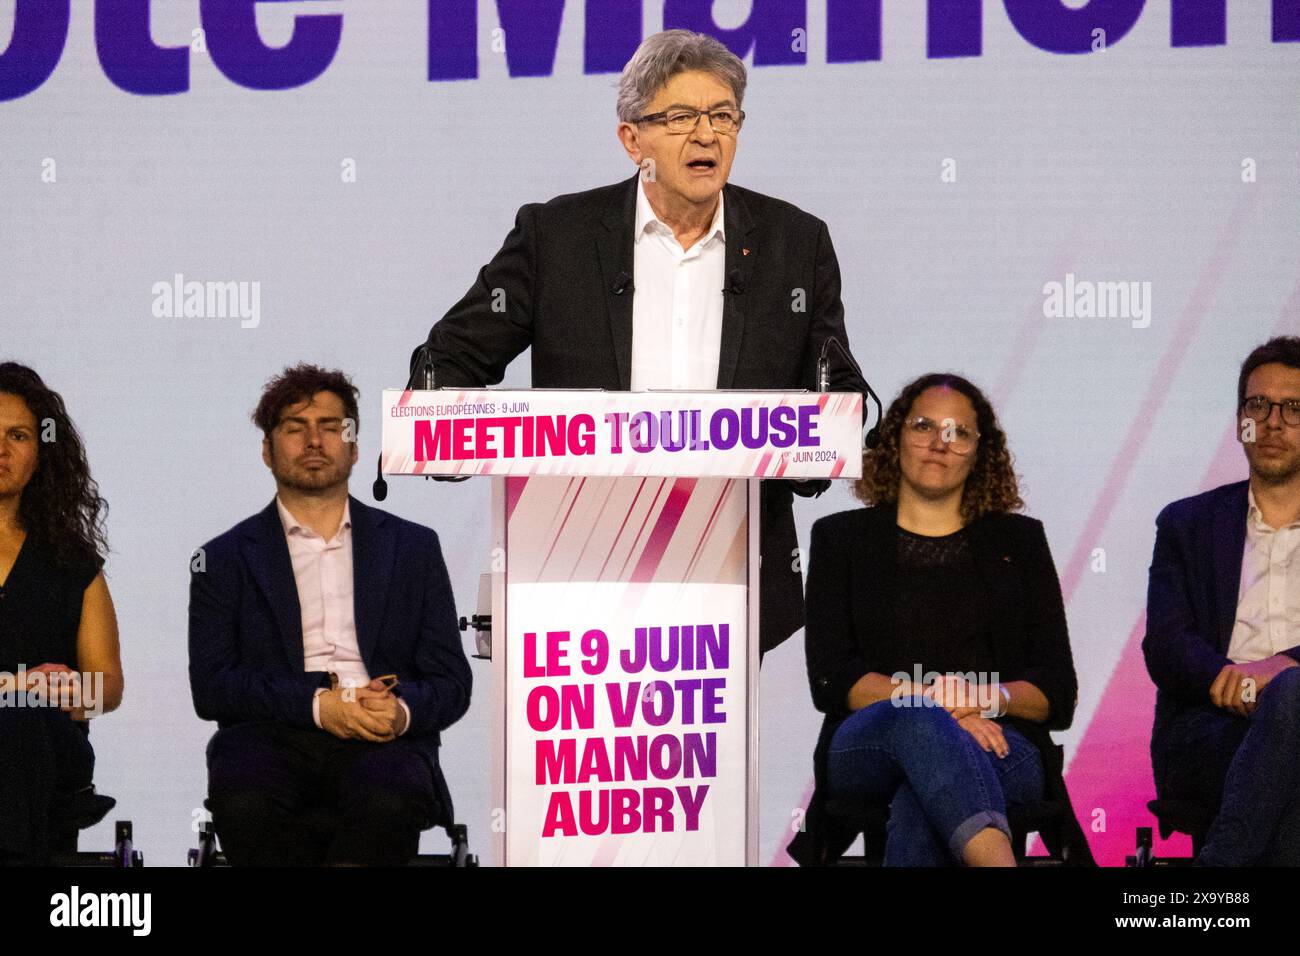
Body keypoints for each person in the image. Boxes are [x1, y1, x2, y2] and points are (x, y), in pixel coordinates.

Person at [411, 29, 866, 656]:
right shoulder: (558, 236)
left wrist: (823, 439)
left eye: (723, 116)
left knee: (711, 757)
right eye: (681, 117)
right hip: (577, 567)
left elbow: (834, 385)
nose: (707, 135)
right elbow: (448, 360)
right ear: (633, 140)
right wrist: (450, 432)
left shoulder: (795, 243)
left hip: (731, 574)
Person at [788, 373, 1084, 866]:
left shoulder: (1020, 542)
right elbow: (832, 679)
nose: (939, 443)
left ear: (980, 452)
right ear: (896, 436)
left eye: (959, 432)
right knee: (920, 726)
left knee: (923, 799)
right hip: (869, 740)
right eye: (924, 425)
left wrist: (983, 699)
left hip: (1003, 741)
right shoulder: (841, 539)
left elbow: (1057, 692)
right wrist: (936, 706)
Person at [188, 364, 473, 866]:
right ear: (266, 450)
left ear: (356, 446)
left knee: (390, 802)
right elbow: (213, 686)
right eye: (295, 428)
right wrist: (320, 705)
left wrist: (400, 710)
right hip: (269, 735)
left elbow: (451, 681)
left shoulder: (413, 548)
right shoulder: (222, 559)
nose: (314, 440)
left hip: (381, 736)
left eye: (331, 427)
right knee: (247, 804)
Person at [1143, 335, 1300, 865]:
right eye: (1258, 405)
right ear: (1240, 423)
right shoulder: (1187, 523)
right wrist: (1231, 682)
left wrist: (1284, 674)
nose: (1273, 422)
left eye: (1294, 408)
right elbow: (1165, 643)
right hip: (1211, 728)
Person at [0, 363, 123, 865]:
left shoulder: (73, 565)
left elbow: (107, 689)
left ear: (40, 454)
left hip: (46, 750)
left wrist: (73, 692)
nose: (1, 449)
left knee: (19, 723)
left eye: (19, 435)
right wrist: (17, 686)